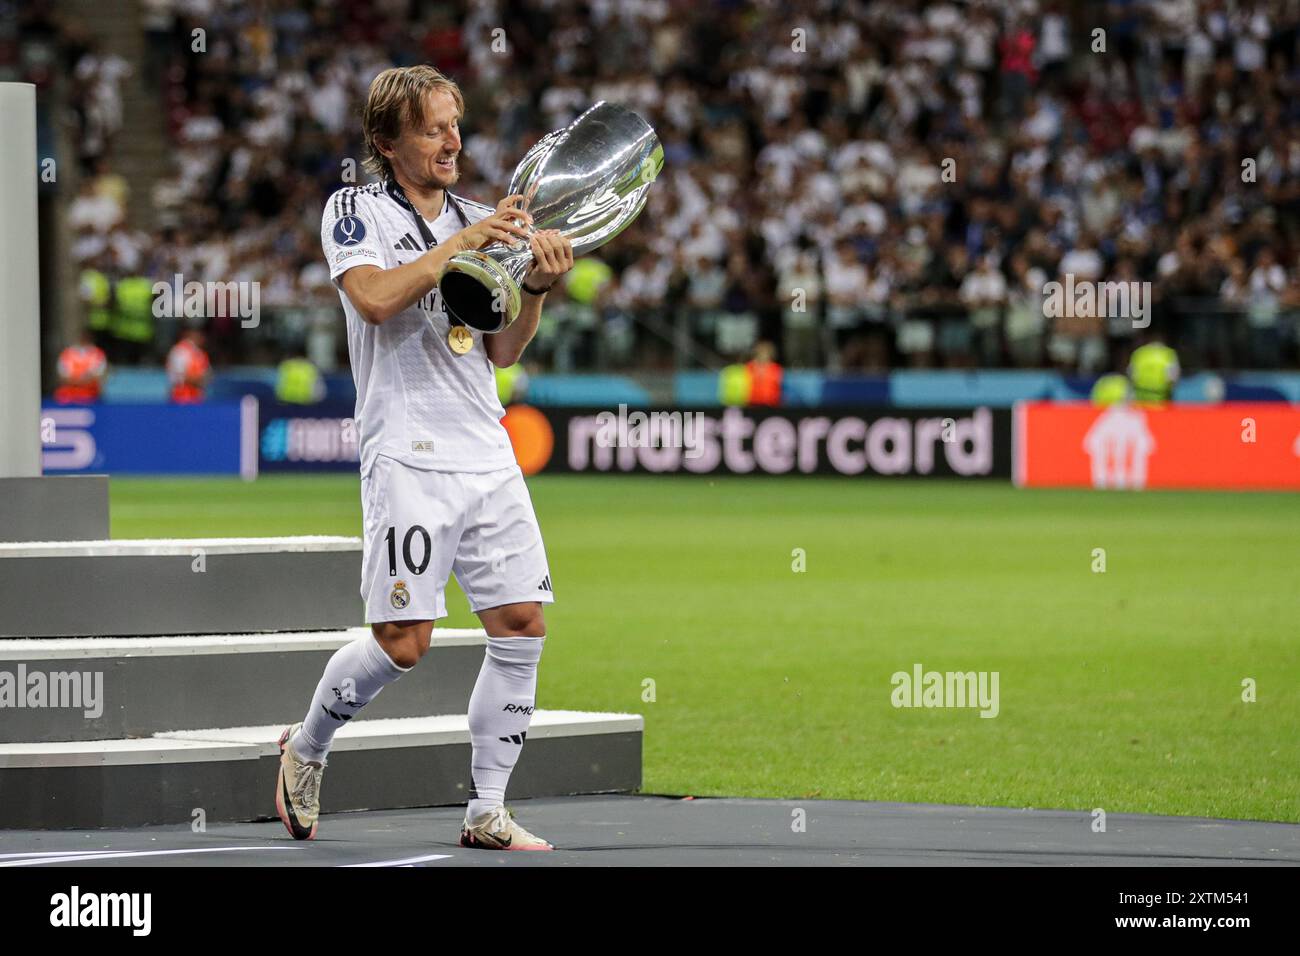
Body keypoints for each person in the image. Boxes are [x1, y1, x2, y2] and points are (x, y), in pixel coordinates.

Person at [276, 65, 574, 851]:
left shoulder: (484, 218)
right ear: (387, 141)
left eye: (456, 124)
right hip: (406, 451)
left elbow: (502, 350)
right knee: (405, 641)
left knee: (521, 623)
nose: (453, 141)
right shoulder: (355, 208)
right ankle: (305, 748)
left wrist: (536, 286)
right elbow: (373, 300)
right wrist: (463, 245)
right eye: (434, 128)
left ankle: (486, 810)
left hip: (485, 446)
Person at [54, 330, 108, 404]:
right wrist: (80, 381)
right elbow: (62, 377)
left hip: (91, 397)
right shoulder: (67, 353)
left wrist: (79, 381)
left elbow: (99, 376)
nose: (84, 339)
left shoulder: (97, 354)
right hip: (68, 397)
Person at [166, 327, 210, 403]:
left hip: (197, 398)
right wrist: (198, 380)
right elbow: (179, 377)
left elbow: (207, 374)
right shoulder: (180, 351)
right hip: (181, 398)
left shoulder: (200, 353)